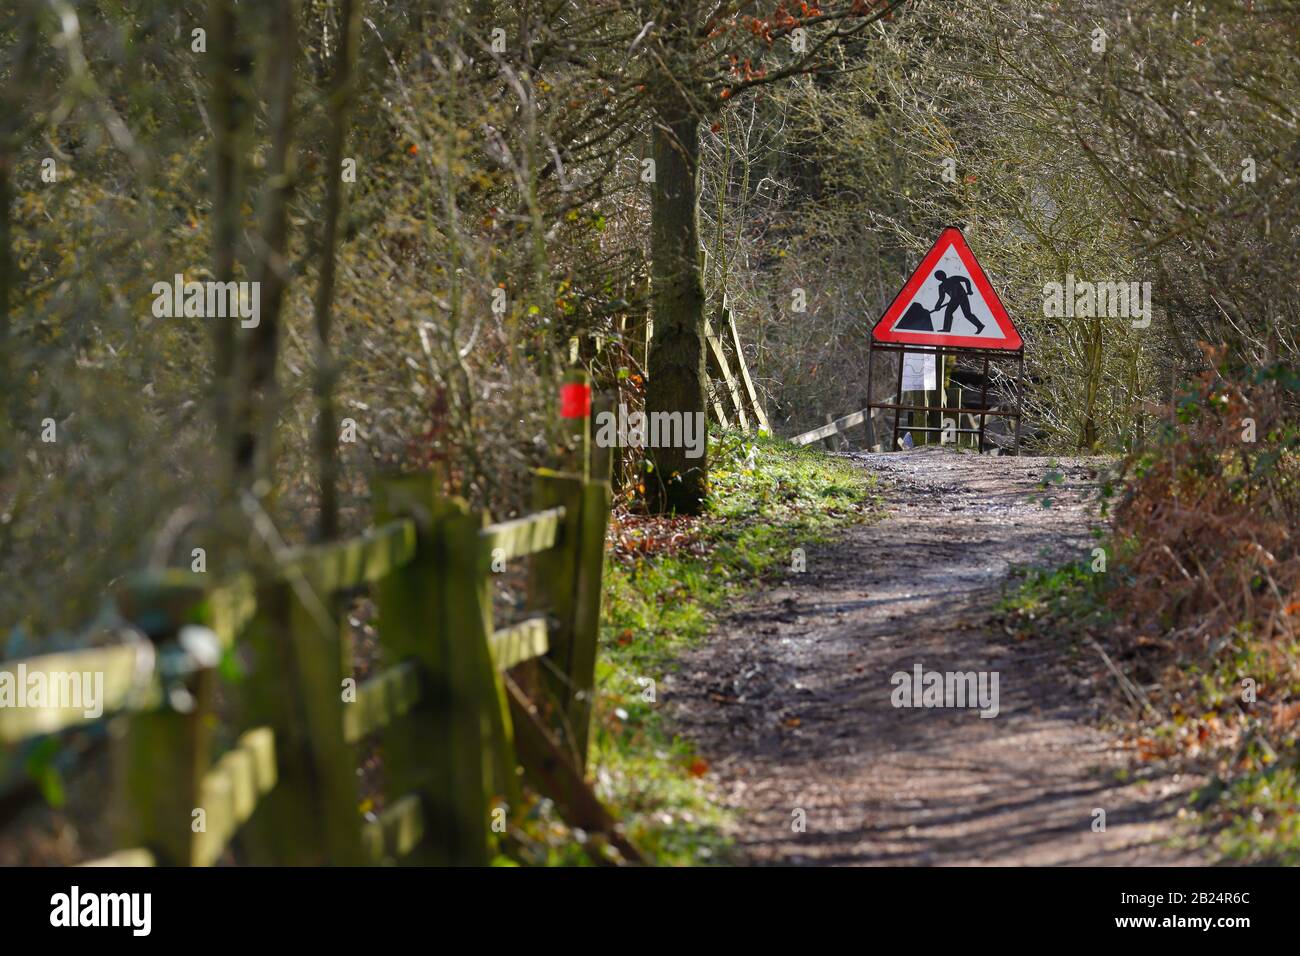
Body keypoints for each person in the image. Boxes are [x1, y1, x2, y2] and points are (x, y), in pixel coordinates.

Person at [932, 270, 984, 334]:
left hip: (962, 297)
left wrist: (969, 290)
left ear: (944, 274)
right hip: (954, 300)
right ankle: (946, 329)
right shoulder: (941, 286)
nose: (941, 277)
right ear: (938, 279)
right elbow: (941, 298)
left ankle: (980, 326)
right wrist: (937, 306)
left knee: (967, 314)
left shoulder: (954, 278)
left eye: (941, 275)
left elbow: (966, 280)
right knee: (948, 312)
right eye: (939, 276)